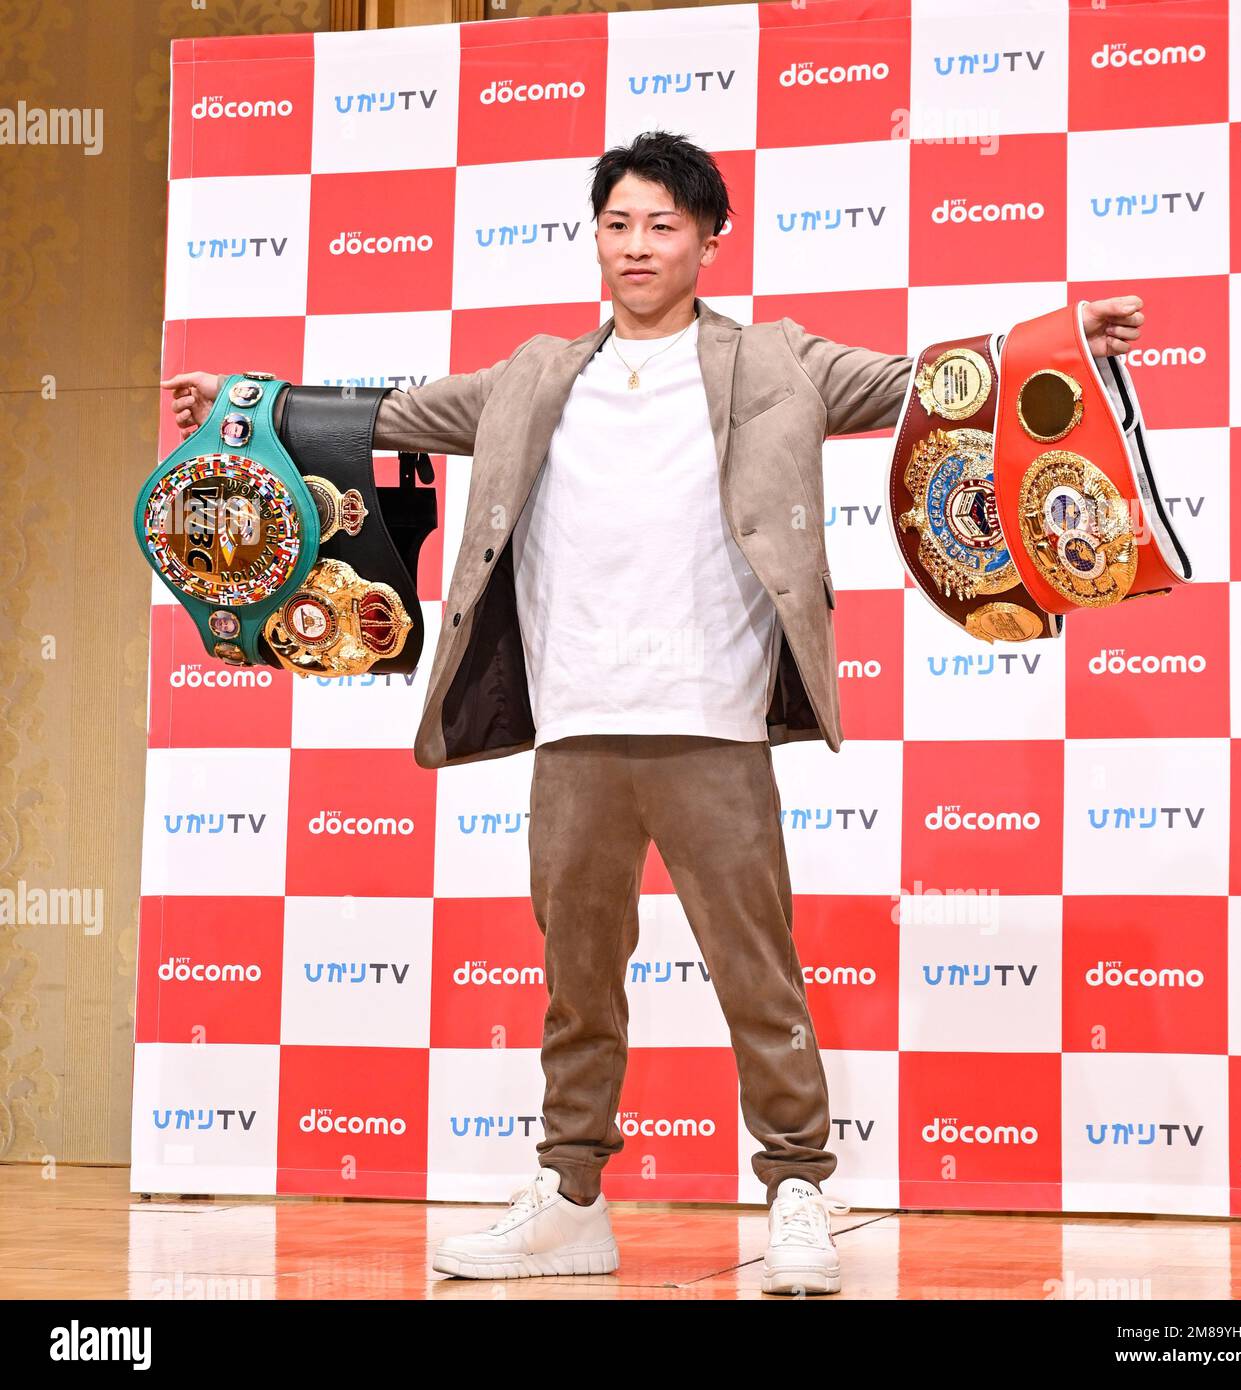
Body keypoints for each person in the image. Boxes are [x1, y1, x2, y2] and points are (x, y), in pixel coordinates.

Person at [162, 129, 1145, 1296]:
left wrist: (1056, 347)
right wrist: (243, 398)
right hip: (572, 721)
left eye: (663, 226)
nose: (637, 245)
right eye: (618, 223)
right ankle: (571, 1199)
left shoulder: (779, 360)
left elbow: (930, 383)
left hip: (712, 717)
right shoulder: (532, 373)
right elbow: (390, 414)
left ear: (708, 242)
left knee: (754, 969)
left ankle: (796, 1189)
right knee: (578, 974)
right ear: (596, 235)